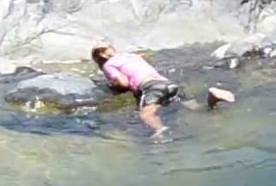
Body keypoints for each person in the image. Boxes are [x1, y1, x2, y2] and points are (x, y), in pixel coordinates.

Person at [91, 43, 235, 136]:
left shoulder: (108, 65)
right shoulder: (131, 56)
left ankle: (160, 129)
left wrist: (113, 85)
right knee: (198, 108)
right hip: (169, 84)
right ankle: (212, 97)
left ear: (101, 56)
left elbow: (122, 82)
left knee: (146, 115)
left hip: (151, 87)